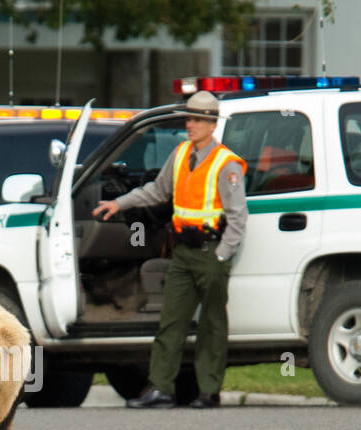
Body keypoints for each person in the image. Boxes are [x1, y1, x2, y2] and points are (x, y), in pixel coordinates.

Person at [93, 90, 248, 409]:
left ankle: (209, 391)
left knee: (212, 325)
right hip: (182, 254)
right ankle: (161, 388)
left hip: (210, 252)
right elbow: (156, 191)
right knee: (171, 323)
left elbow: (237, 217)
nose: (189, 125)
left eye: (195, 120)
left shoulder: (226, 164)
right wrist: (119, 203)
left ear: (211, 124)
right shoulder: (180, 154)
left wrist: (222, 255)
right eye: (188, 119)